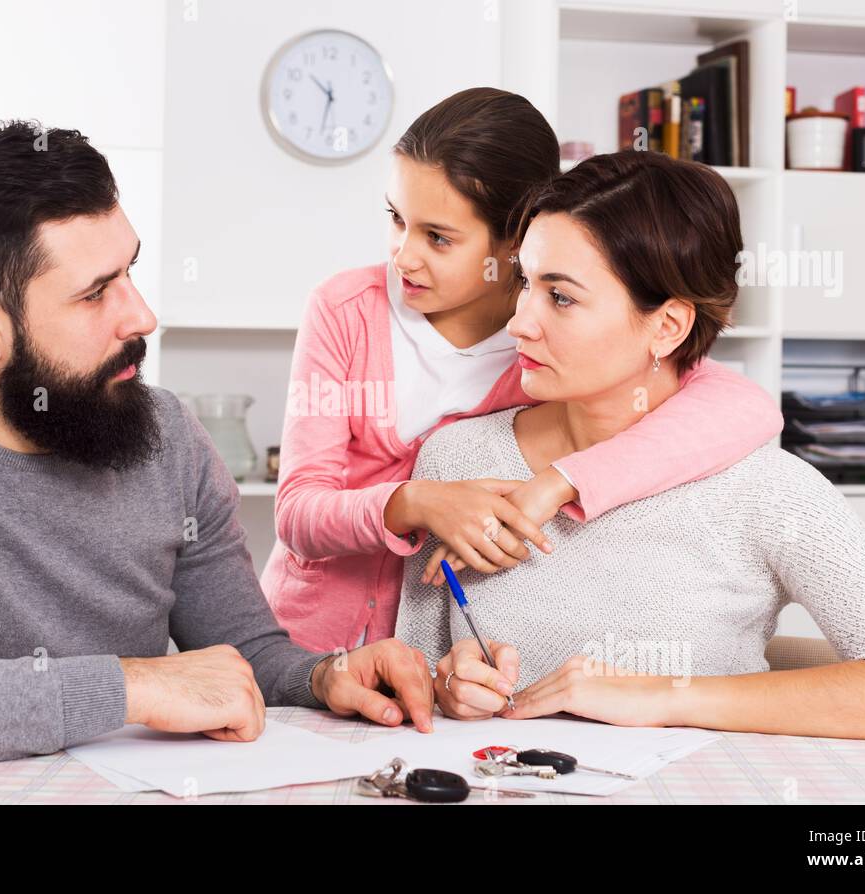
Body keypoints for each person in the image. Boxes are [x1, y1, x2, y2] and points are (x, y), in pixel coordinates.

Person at [0, 122, 436, 772]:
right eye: (96, 294)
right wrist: (127, 686)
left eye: (130, 271)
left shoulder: (170, 439)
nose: (141, 314)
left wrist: (323, 676)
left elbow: (245, 653)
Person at [396, 150, 865, 747]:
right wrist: (449, 684)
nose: (519, 322)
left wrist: (663, 697)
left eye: (562, 296)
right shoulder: (457, 461)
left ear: (668, 327)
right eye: (525, 282)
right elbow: (415, 676)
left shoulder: (765, 490)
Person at [264, 88, 784, 653]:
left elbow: (743, 407)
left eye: (438, 237)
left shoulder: (552, 334)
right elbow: (297, 512)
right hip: (307, 646)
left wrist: (559, 484)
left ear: (517, 238)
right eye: (396, 219)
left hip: (443, 657)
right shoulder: (345, 309)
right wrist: (415, 501)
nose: (403, 256)